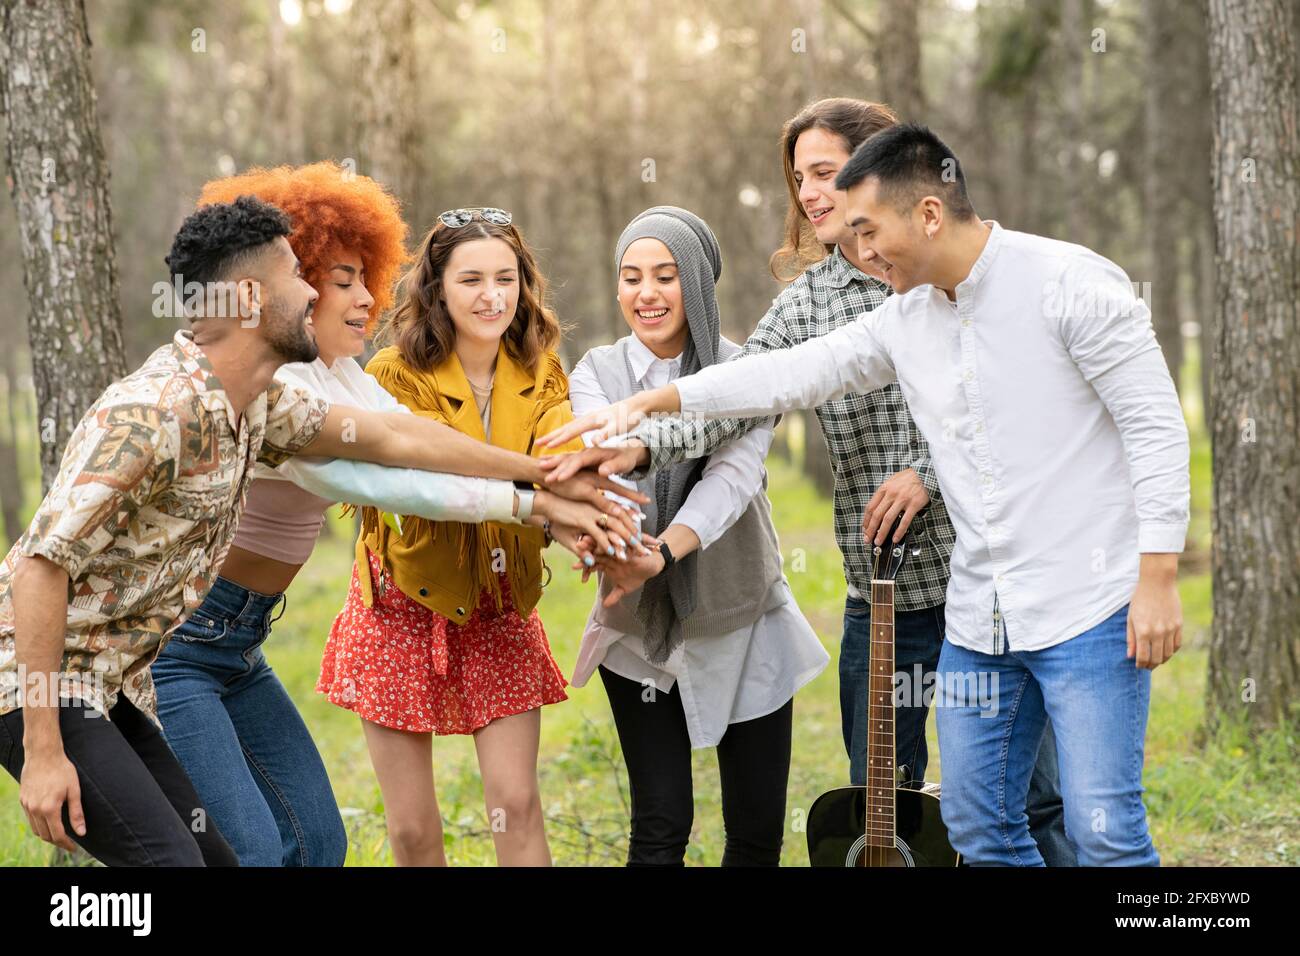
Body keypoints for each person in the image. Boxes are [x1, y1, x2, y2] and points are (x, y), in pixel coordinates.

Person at [540, 124, 1190, 867]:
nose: (864, 253)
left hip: (1088, 610)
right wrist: (651, 409)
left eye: (869, 231)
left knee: (1105, 835)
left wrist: (1159, 575)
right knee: (981, 831)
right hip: (981, 624)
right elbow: (785, 374)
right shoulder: (904, 318)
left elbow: (1155, 428)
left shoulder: (1071, 283)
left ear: (929, 215)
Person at [0, 196, 636, 867]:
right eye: (298, 277)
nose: (311, 291)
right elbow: (40, 566)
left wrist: (539, 472)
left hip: (128, 674)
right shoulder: (156, 413)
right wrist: (43, 749)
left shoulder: (263, 402)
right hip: (44, 682)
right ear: (248, 298)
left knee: (297, 846)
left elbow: (398, 437)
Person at [317, 207, 635, 866]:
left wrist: (592, 527)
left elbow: (560, 470)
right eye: (471, 280)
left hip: (499, 606)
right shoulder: (391, 375)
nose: (491, 297)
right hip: (403, 609)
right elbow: (432, 481)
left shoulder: (542, 367)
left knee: (514, 804)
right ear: (437, 290)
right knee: (410, 830)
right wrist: (544, 499)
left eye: (505, 278)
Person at [567, 206, 829, 866]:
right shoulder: (596, 372)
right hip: (638, 624)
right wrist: (624, 545)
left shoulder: (747, 370)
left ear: (697, 282)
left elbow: (732, 479)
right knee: (660, 823)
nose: (645, 293)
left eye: (664, 275)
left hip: (743, 615)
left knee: (755, 828)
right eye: (630, 277)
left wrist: (663, 549)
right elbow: (604, 465)